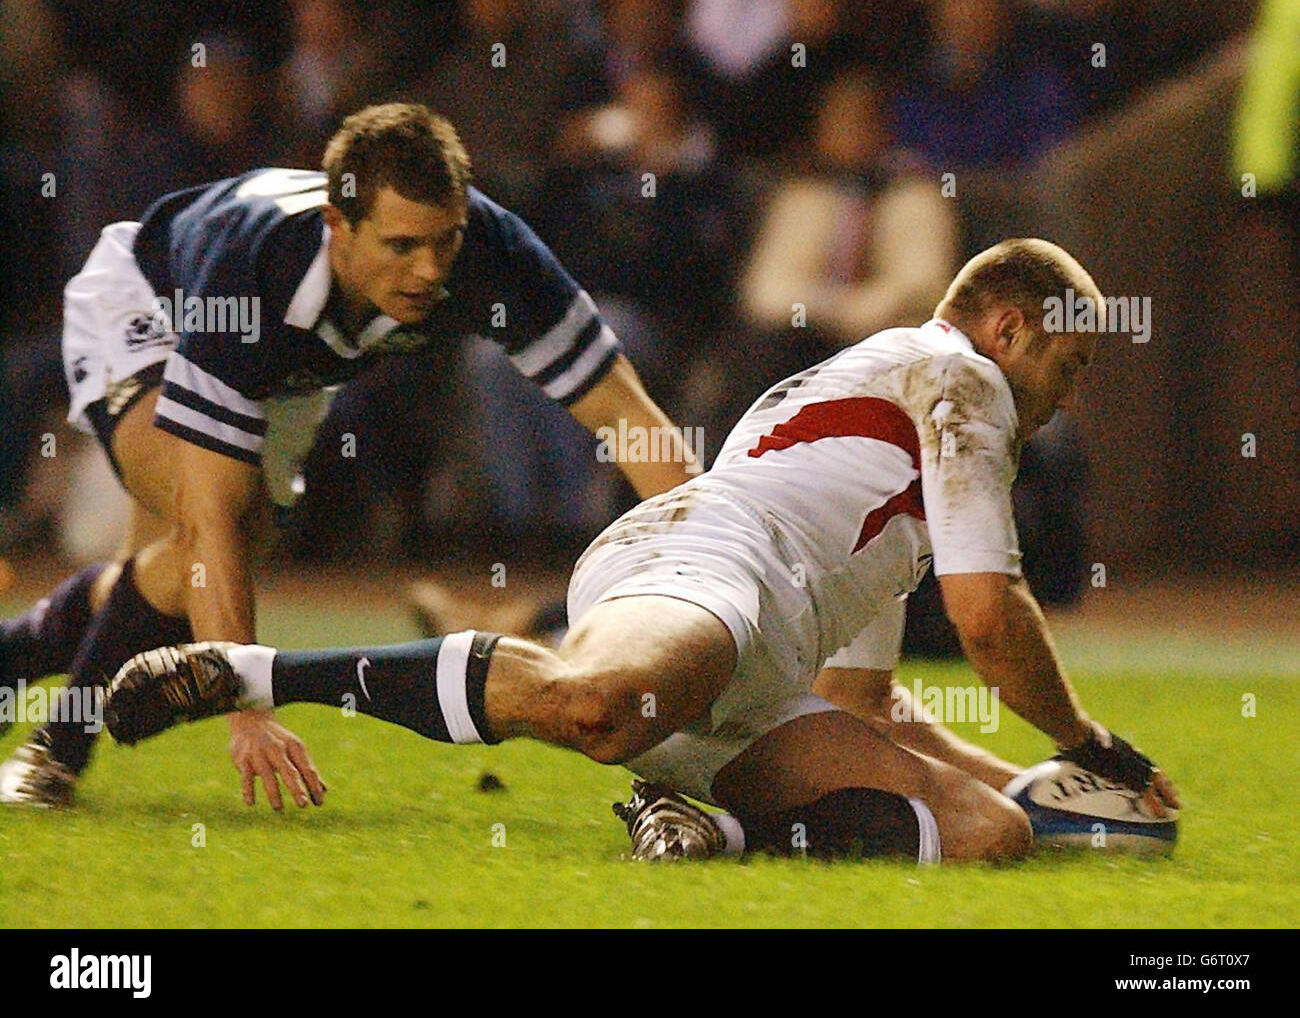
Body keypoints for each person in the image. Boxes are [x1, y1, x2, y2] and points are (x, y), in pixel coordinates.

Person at [103, 239, 1180, 863]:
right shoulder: (961, 384)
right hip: (707, 559)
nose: (1064, 393)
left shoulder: (886, 451)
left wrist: (1046, 794)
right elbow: (991, 621)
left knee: (985, 834)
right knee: (598, 708)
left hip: (757, 668)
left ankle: (701, 819)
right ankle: (249, 672)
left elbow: (864, 707)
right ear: (1004, 330)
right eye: (1068, 362)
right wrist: (1094, 744)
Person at [0, 102, 696, 809]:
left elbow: (625, 413)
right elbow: (208, 519)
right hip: (151, 306)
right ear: (338, 228)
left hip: (289, 369)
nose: (429, 270)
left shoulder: (496, 254)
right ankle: (55, 750)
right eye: (401, 246)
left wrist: (711, 559)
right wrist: (247, 710)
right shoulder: (251, 267)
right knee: (214, 540)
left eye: (444, 240)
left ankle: (14, 656)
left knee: (172, 585)